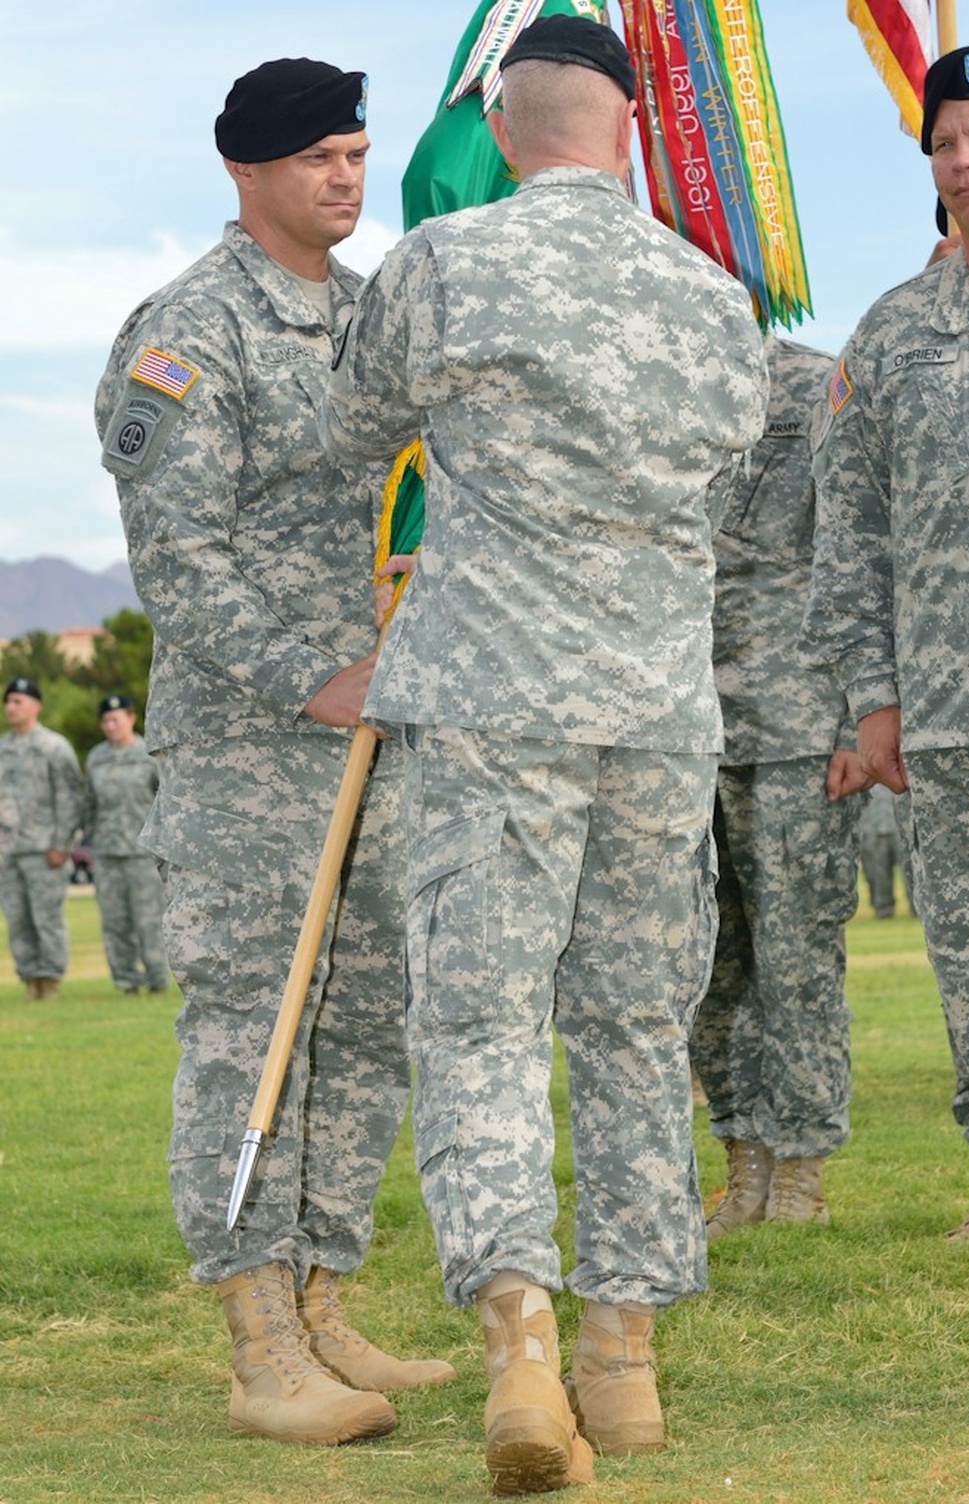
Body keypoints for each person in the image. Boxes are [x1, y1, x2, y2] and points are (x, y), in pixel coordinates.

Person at [327, 15, 768, 1493]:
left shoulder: (445, 262)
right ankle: (622, 1363)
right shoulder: (710, 294)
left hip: (494, 704)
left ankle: (521, 1345)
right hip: (655, 710)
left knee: (483, 1025)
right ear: (626, 128)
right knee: (636, 1026)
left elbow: (357, 419)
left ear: (504, 130)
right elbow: (732, 473)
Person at [94, 58, 455, 1447]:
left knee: (360, 1026)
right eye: (319, 159)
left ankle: (322, 1299)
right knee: (255, 1030)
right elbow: (177, 558)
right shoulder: (191, 331)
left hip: (383, 738)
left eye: (357, 153)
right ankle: (258, 1340)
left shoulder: (374, 320)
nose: (347, 179)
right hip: (254, 748)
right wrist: (312, 677)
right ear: (246, 171)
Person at [804, 43, 969, 1244]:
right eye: (950, 143)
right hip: (948, 710)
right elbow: (848, 529)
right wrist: (870, 698)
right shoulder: (888, 336)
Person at [689, 338, 864, 1240]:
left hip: (798, 721)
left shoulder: (815, 383)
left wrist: (857, 719)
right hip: (676, 722)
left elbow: (864, 550)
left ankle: (801, 1168)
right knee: (705, 963)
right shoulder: (645, 367)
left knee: (797, 958)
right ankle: (744, 1160)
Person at [0, 678, 82, 1000]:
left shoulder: (53, 747)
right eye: (8, 702)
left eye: (18, 701)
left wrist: (62, 845)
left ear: (36, 706)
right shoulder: (3, 748)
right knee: (17, 919)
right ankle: (30, 979)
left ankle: (50, 981)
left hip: (45, 850)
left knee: (46, 918)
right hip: (9, 852)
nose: (11, 707)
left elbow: (70, 799)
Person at [82, 693, 169, 995]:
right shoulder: (96, 758)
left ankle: (157, 980)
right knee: (114, 921)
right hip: (106, 853)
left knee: (148, 921)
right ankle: (125, 982)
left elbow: (164, 801)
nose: (111, 725)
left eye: (116, 719)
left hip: (142, 854)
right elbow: (89, 805)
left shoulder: (149, 754)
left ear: (131, 718)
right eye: (105, 721)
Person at [858, 782, 913, 919]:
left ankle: (917, 907)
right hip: (872, 829)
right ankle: (883, 909)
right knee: (877, 873)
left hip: (901, 830)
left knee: (910, 869)